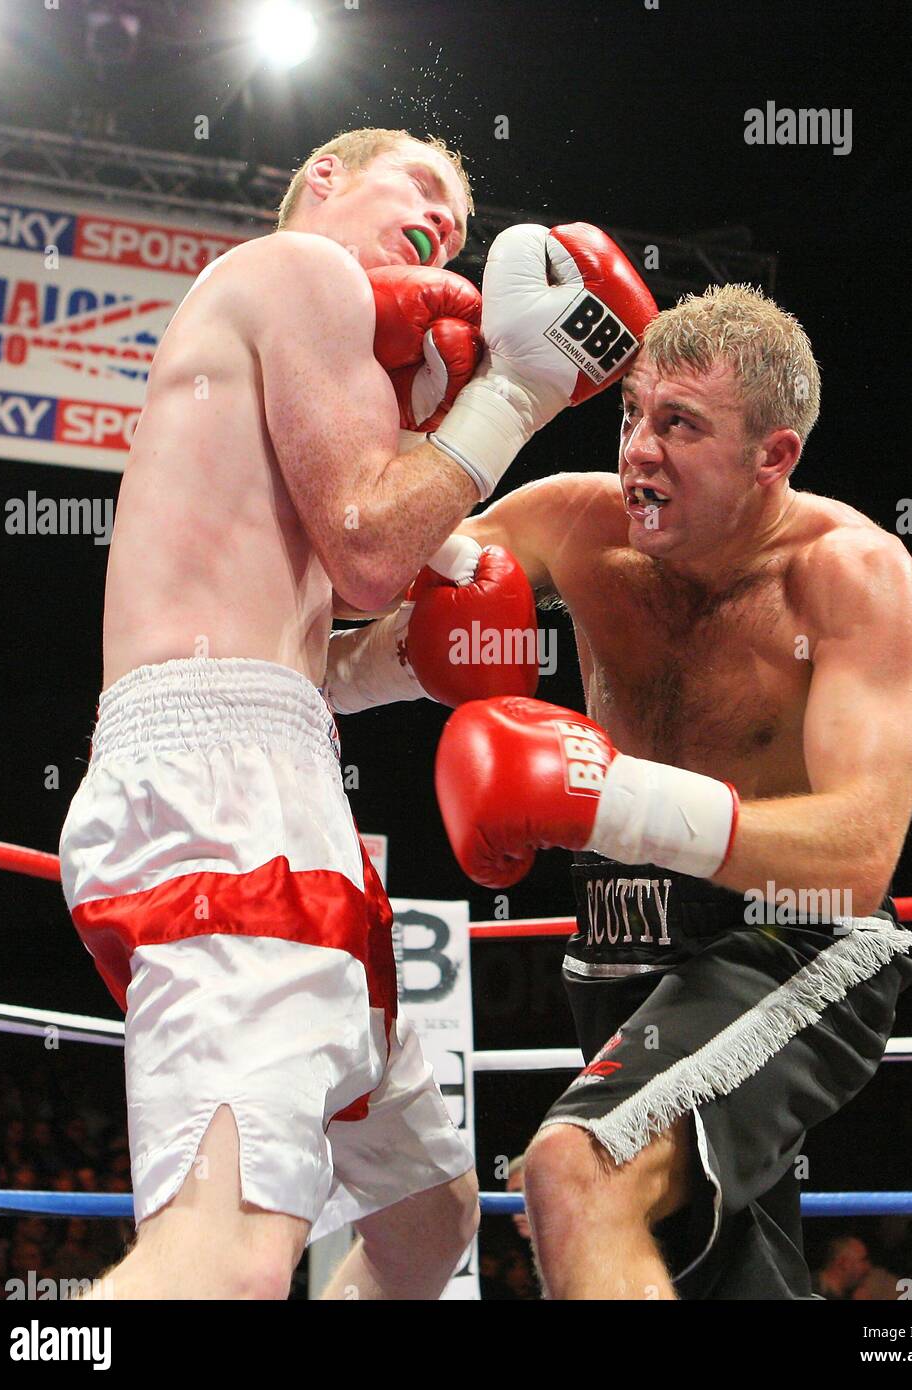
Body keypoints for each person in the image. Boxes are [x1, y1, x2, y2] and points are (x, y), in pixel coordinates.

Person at [58, 125, 656, 1299]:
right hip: (219, 791)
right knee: (229, 1259)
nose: (444, 218)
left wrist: (397, 662)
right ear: (323, 179)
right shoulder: (300, 271)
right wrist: (518, 392)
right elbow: (377, 544)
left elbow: (309, 643)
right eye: (420, 183)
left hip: (270, 767)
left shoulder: (291, 367)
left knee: (428, 1220)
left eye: (461, 217)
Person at [435, 283, 912, 1299]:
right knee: (710, 1273)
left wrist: (605, 801)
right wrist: (470, 402)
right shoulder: (576, 528)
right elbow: (382, 580)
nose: (638, 451)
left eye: (678, 425)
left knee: (575, 1172)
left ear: (772, 456)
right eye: (630, 414)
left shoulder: (847, 578)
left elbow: (859, 851)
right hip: (618, 943)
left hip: (793, 939)